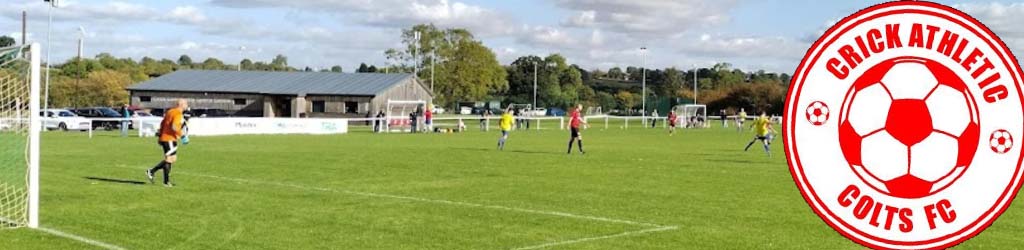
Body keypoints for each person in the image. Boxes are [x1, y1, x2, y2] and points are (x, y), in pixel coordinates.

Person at [145, 99, 188, 187]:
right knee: (170, 159)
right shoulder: (178, 114)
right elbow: (174, 126)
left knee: (172, 158)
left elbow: (163, 123)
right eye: (186, 104)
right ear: (181, 104)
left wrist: (160, 136)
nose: (187, 105)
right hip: (170, 138)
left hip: (165, 138)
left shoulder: (170, 111)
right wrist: (182, 136)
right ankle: (152, 171)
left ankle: (166, 182)